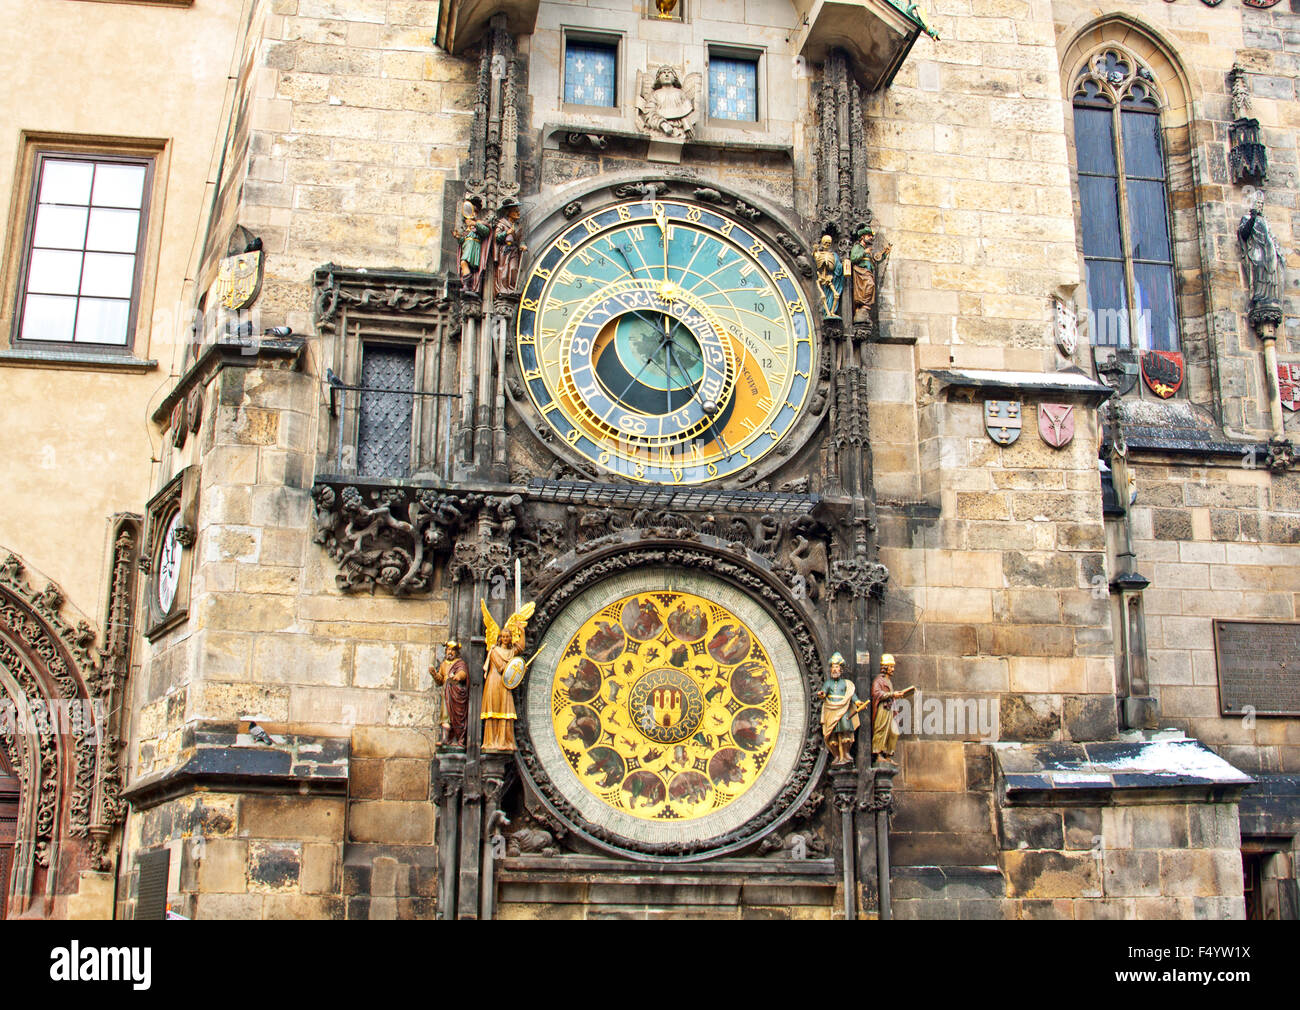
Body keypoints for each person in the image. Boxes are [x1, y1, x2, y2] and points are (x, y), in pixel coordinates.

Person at [480, 600, 534, 752]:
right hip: (495, 682)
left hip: (505, 684)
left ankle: (506, 741)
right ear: (499, 638)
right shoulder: (494, 651)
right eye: (503, 637)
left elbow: (520, 647)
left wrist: (521, 631)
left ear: (510, 638)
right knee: (494, 709)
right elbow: (503, 667)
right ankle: (491, 741)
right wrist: (518, 669)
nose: (505, 639)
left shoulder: (511, 651)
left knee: (506, 710)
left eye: (507, 637)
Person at [818, 652, 868, 765]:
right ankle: (836, 755)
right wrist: (822, 694)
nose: (835, 670)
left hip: (843, 709)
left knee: (845, 730)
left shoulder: (846, 684)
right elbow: (824, 692)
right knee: (832, 734)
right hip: (831, 709)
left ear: (841, 670)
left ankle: (845, 753)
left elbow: (851, 695)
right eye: (833, 667)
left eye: (837, 667)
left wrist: (857, 702)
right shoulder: (828, 683)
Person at [871, 653, 914, 765]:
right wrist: (892, 694)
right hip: (883, 709)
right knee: (881, 730)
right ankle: (878, 754)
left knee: (893, 731)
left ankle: (888, 754)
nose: (893, 669)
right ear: (885, 667)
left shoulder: (888, 681)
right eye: (891, 667)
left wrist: (896, 695)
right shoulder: (879, 680)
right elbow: (876, 693)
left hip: (890, 708)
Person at [849, 225, 891, 323]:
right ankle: (861, 308)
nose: (871, 238)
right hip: (861, 272)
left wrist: (884, 254)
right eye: (869, 236)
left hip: (868, 272)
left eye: (871, 236)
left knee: (869, 287)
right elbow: (853, 258)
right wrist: (864, 252)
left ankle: (864, 308)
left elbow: (874, 261)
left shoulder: (868, 250)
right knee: (869, 285)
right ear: (862, 237)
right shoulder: (858, 247)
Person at [432, 640, 469, 748]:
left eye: (453, 650)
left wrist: (458, 676)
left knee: (455, 717)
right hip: (446, 693)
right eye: (448, 649)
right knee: (445, 716)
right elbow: (439, 681)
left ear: (456, 652)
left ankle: (456, 739)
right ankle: (445, 739)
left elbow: (463, 672)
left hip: (455, 694)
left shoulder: (459, 663)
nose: (450, 652)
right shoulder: (444, 664)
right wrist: (434, 674)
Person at [492, 198, 527, 295]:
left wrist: (523, 245)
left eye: (518, 211)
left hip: (514, 249)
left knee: (513, 268)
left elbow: (521, 239)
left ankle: (511, 289)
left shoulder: (518, 226)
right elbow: (497, 237)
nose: (518, 213)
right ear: (509, 213)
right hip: (505, 249)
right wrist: (506, 233)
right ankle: (503, 288)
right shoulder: (502, 223)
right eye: (516, 211)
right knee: (504, 268)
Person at [453, 200, 489, 294]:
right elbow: (463, 240)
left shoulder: (478, 224)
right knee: (463, 263)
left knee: (464, 262)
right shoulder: (467, 227)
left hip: (474, 247)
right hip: (467, 246)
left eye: (474, 212)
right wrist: (458, 237)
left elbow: (486, 232)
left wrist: (475, 224)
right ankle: (466, 285)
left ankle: (467, 285)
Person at [813, 234, 843, 320]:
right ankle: (827, 312)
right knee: (824, 296)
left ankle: (832, 312)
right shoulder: (818, 254)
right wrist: (815, 250)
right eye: (825, 243)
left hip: (830, 278)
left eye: (829, 243)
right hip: (821, 278)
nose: (827, 245)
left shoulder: (833, 255)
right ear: (822, 243)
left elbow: (837, 268)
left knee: (836, 294)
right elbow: (815, 258)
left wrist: (842, 265)